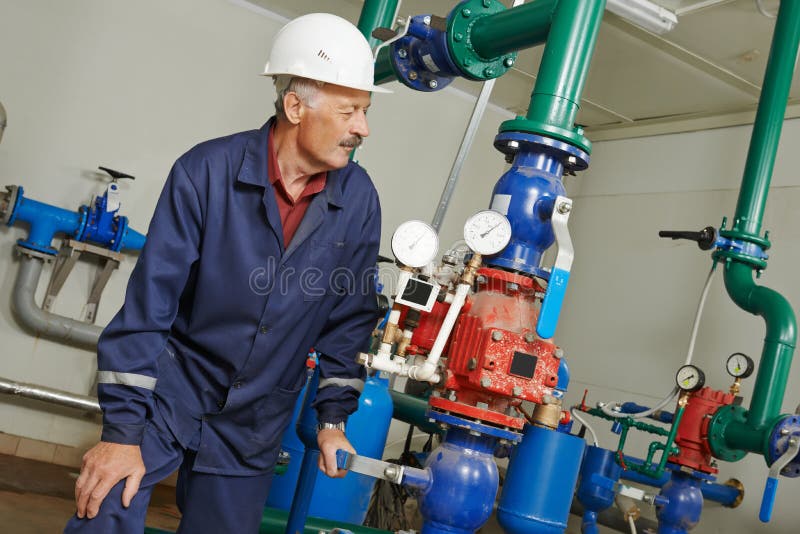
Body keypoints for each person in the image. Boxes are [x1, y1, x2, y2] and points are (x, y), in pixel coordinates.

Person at [65, 12, 390, 534]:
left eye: (366, 112)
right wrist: (122, 433)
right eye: (350, 112)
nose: (363, 129)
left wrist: (332, 419)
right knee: (105, 503)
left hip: (256, 417)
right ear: (295, 107)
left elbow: (349, 317)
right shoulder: (206, 172)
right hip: (173, 391)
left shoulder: (358, 199)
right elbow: (149, 307)